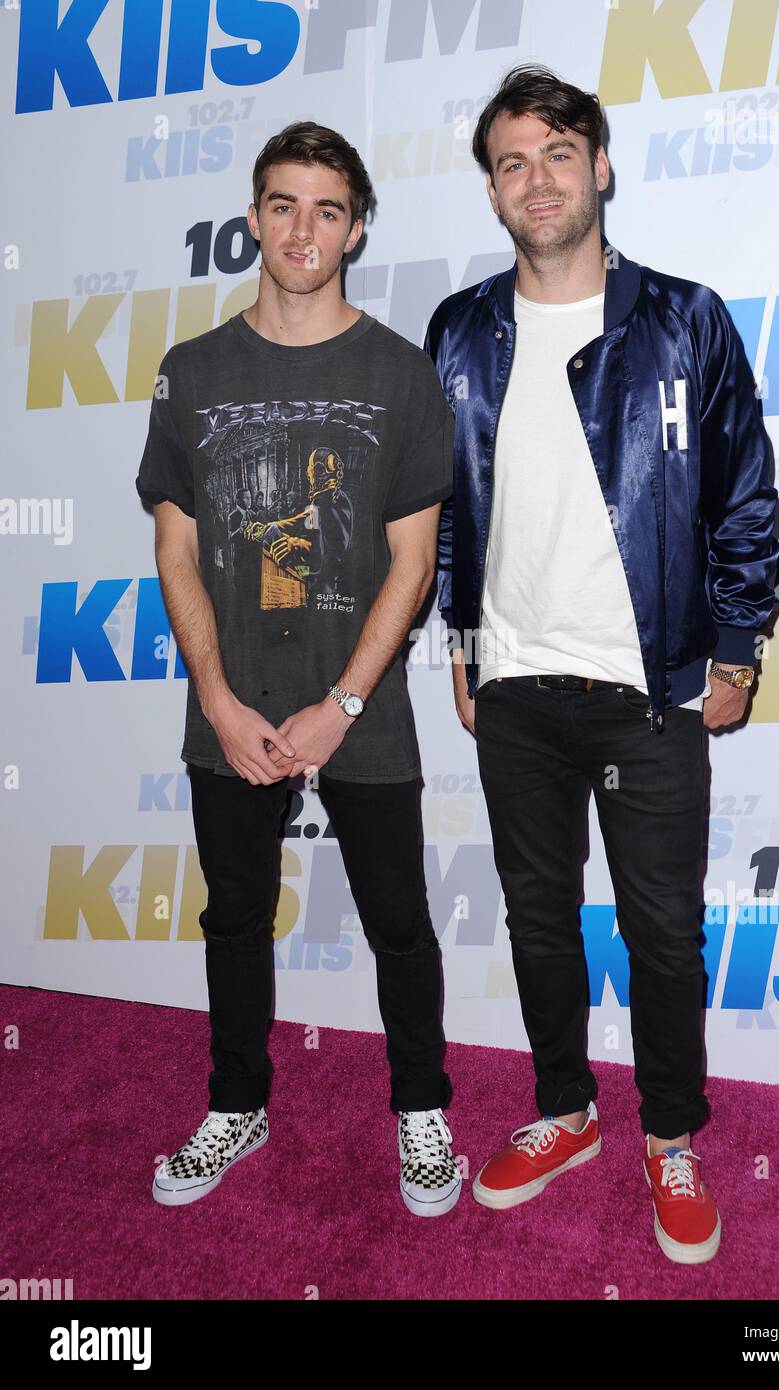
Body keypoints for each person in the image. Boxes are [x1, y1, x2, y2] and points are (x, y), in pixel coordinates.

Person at [424, 65, 779, 1262]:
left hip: (651, 690)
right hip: (516, 688)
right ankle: (565, 1109)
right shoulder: (461, 330)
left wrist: (737, 645)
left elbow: (743, 495)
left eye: (558, 153)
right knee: (536, 920)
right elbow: (451, 509)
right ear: (491, 187)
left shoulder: (685, 318)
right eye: (512, 162)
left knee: (662, 930)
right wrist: (463, 636)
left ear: (602, 166)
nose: (538, 179)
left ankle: (669, 1134)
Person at [136, 120, 460, 1218]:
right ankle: (239, 1101)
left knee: (398, 920)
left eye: (327, 208)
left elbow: (413, 561)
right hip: (230, 706)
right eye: (282, 204)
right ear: (253, 221)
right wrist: (217, 700)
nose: (302, 228)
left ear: (356, 226)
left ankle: (421, 1108)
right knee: (234, 914)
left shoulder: (401, 372)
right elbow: (175, 547)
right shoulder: (191, 373)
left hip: (358, 706)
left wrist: (346, 701)